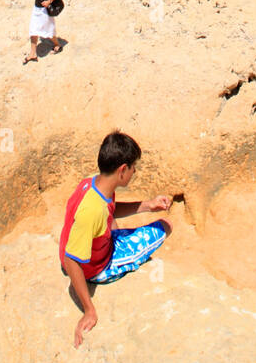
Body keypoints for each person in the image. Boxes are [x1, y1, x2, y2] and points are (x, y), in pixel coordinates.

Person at [59, 131, 173, 348]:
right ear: (122, 170)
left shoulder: (93, 182)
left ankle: (114, 239)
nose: (134, 171)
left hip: (87, 244)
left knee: (114, 225)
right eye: (132, 167)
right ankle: (112, 266)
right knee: (165, 227)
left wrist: (148, 205)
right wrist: (88, 309)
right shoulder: (93, 211)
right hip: (95, 267)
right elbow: (71, 260)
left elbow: (110, 210)